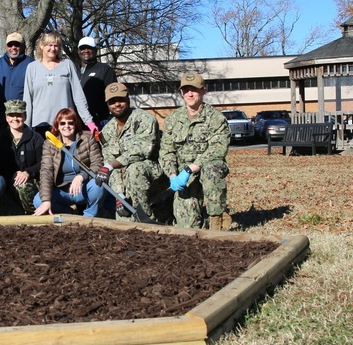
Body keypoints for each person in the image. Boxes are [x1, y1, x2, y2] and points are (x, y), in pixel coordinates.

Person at [158, 72, 232, 230]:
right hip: (182, 175)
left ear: (204, 90)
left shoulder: (216, 118)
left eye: (195, 89)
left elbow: (218, 149)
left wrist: (191, 168)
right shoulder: (172, 119)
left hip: (207, 166)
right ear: (181, 92)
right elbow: (166, 151)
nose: (190, 93)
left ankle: (216, 220)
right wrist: (173, 175)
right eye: (186, 90)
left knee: (212, 170)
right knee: (188, 226)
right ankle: (199, 215)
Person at [96, 82, 168, 222]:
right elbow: (110, 164)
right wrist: (119, 195)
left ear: (128, 98)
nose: (117, 104)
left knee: (135, 169)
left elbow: (142, 151)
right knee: (124, 221)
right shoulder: (107, 131)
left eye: (120, 100)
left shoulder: (145, 119)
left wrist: (112, 165)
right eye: (112, 102)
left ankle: (147, 219)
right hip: (125, 181)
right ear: (107, 105)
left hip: (153, 173)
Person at [33, 108, 105, 217]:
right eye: (62, 123)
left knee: (98, 185)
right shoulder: (49, 144)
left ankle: (89, 216)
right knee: (39, 201)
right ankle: (69, 214)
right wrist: (46, 200)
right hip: (62, 190)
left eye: (70, 123)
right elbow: (46, 171)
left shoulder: (87, 138)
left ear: (75, 124)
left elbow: (98, 164)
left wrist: (81, 176)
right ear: (57, 125)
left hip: (83, 188)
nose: (66, 126)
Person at [23, 31, 95, 135]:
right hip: (40, 125)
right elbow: (27, 99)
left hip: (65, 124)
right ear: (41, 46)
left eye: (56, 46)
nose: (53, 49)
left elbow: (78, 95)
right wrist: (26, 126)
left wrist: (89, 121)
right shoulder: (32, 67)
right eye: (50, 45)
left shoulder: (67, 64)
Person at [0, 99, 43, 215]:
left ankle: (34, 212)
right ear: (6, 118)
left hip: (32, 182)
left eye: (19, 115)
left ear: (25, 116)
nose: (15, 119)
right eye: (11, 115)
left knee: (22, 187)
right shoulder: (0, 140)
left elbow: (44, 163)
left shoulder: (36, 138)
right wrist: (11, 175)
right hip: (8, 182)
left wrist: (28, 173)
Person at [0, 31, 34, 135]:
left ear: (22, 46)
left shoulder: (31, 64)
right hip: (4, 117)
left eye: (17, 44)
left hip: (23, 118)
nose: (13, 47)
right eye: (10, 44)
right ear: (6, 46)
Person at [76, 36, 117, 128]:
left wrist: (106, 117)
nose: (86, 50)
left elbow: (113, 95)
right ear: (78, 51)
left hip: (98, 121)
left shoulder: (105, 69)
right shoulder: (74, 70)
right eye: (82, 48)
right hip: (76, 121)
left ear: (96, 50)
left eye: (89, 48)